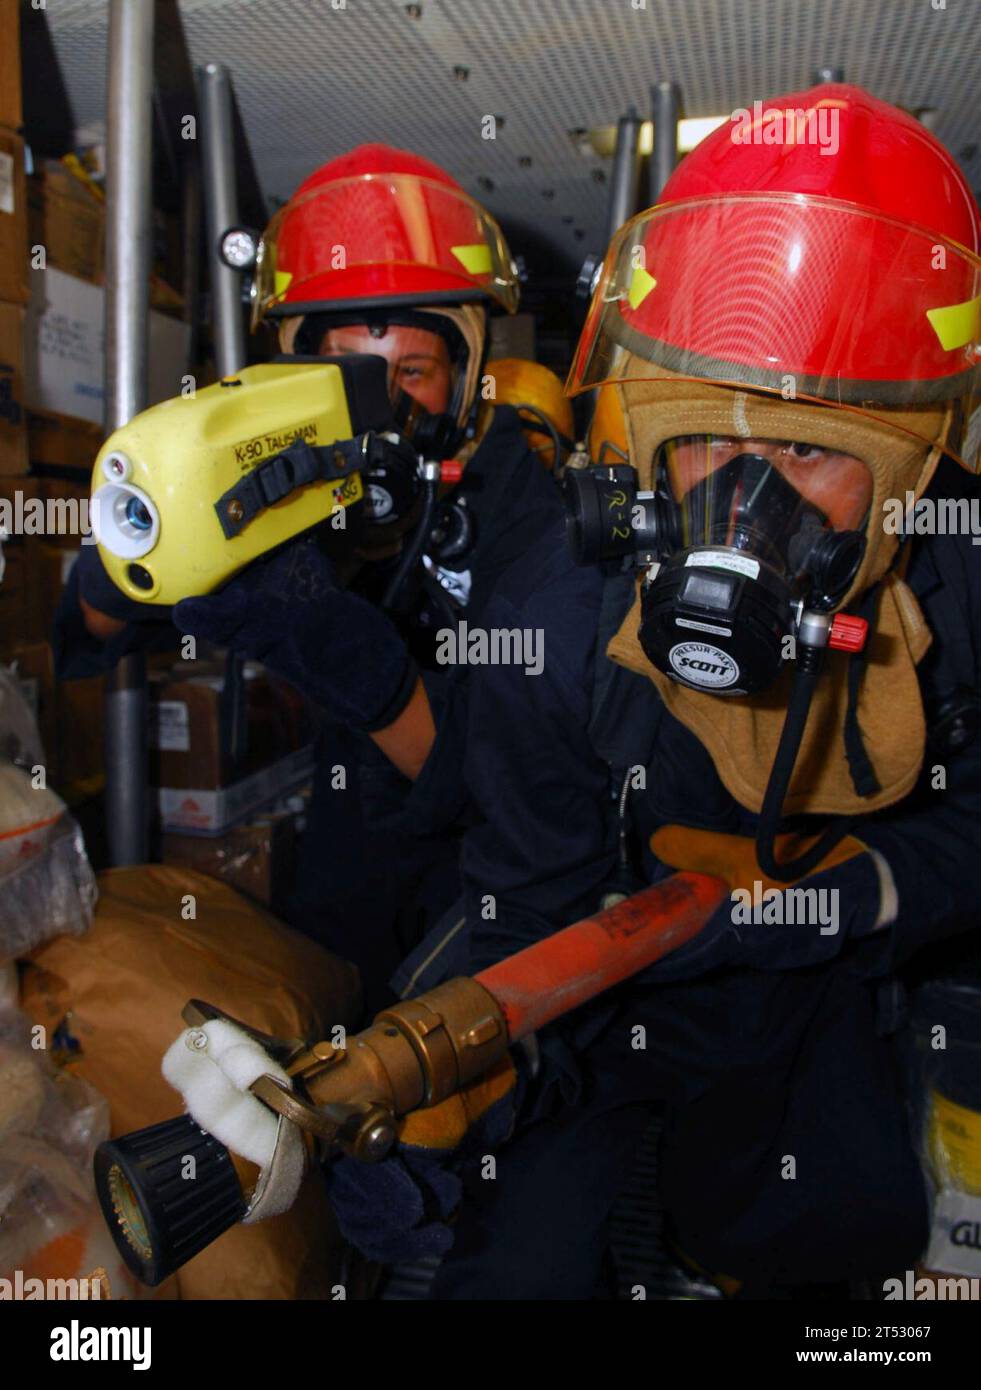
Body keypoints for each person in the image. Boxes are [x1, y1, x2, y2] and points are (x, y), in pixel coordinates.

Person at [335, 84, 981, 1299]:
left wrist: (869, 893)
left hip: (815, 982)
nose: (743, 504)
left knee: (840, 1234)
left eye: (804, 449)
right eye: (705, 441)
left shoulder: (953, 590)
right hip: (608, 985)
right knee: (509, 1270)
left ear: (908, 476)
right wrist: (492, 1076)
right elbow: (527, 897)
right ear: (644, 444)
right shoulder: (558, 617)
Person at [55, 144, 569, 1013]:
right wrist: (143, 535)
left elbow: (487, 785)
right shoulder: (289, 483)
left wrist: (346, 655)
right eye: (348, 376)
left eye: (412, 373)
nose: (388, 408)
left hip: (490, 885)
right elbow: (86, 638)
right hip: (348, 856)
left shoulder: (525, 499)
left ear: (469, 370)